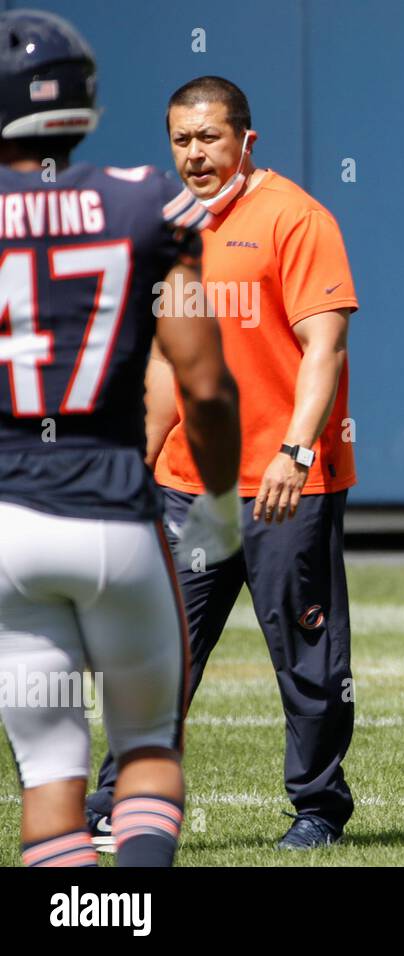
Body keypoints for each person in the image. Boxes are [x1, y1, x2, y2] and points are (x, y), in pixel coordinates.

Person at [86, 76, 360, 851]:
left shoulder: (298, 217)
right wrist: (133, 461)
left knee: (308, 654)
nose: (195, 153)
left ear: (246, 138)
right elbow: (170, 367)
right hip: (189, 484)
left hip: (287, 485)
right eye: (181, 139)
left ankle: (317, 808)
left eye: (209, 137)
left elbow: (324, 349)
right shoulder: (171, 227)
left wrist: (294, 452)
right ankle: (117, 799)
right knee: (158, 646)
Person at [0, 10, 241, 866]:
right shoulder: (146, 201)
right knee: (145, 750)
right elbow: (205, 386)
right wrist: (217, 504)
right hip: (112, 509)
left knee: (51, 772)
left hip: (6, 522)